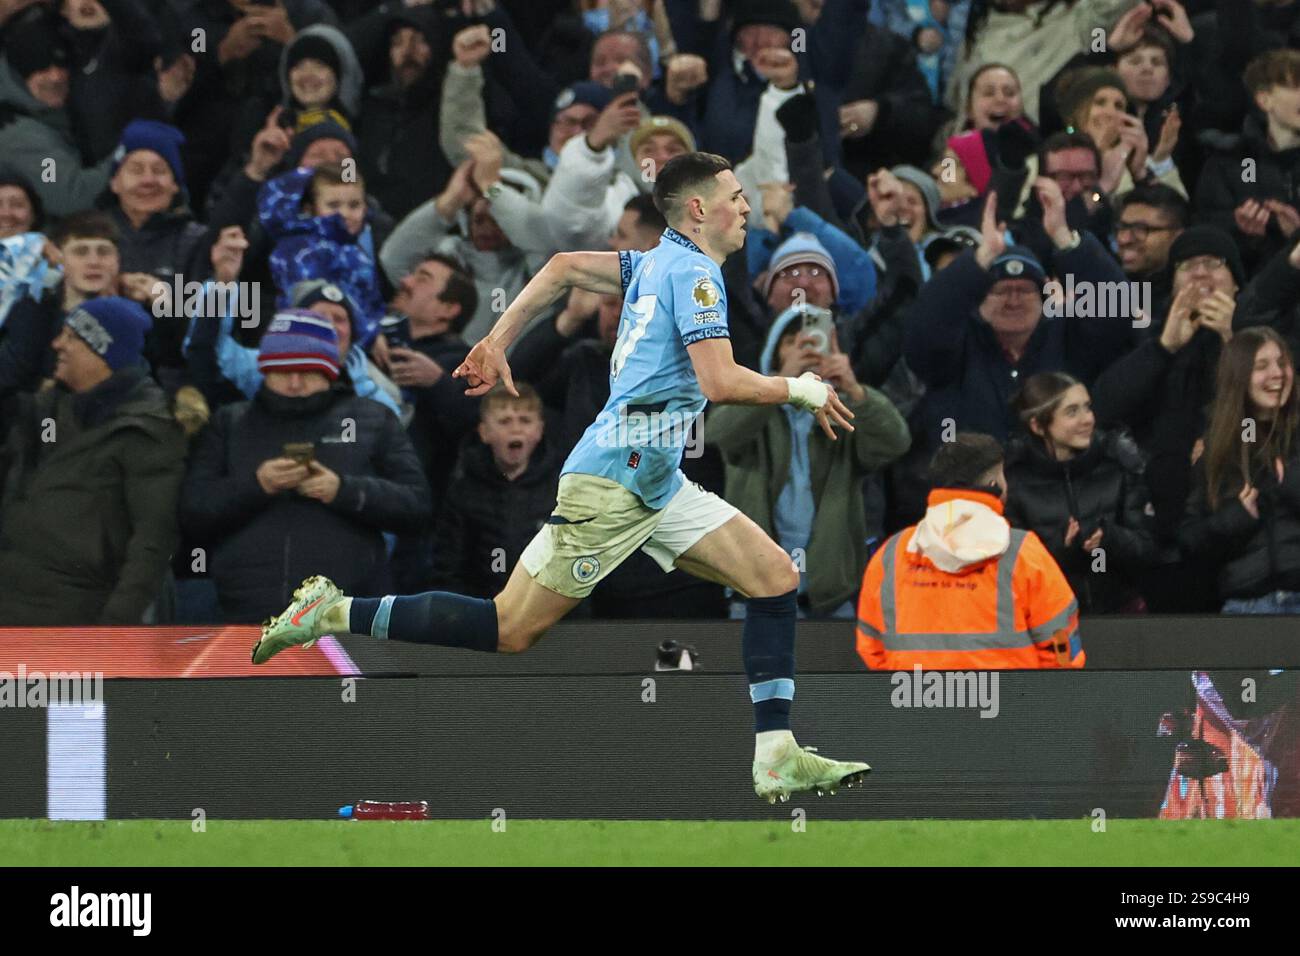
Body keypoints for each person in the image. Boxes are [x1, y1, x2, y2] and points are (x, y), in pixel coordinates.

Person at [252, 152, 870, 803]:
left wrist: (498, 339)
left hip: (656, 482)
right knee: (509, 628)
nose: (745, 207)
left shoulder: (655, 262)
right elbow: (719, 381)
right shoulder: (695, 276)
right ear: (698, 208)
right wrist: (797, 388)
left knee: (774, 577)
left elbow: (562, 267)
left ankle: (777, 755)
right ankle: (333, 611)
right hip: (616, 482)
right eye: (736, 195)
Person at [180, 310, 429, 623]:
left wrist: (343, 490)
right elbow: (194, 513)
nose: (295, 383)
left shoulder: (373, 419)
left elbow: (417, 506)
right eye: (283, 371)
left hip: (346, 615)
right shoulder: (229, 423)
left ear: (330, 372)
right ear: (265, 370)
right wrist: (257, 486)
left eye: (308, 372)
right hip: (242, 613)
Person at [0, 297, 186, 624]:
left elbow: (153, 541)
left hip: (75, 615)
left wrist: (114, 628)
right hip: (11, 605)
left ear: (101, 351)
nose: (57, 344)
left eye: (71, 337)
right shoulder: (43, 413)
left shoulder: (146, 428)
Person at [856, 432, 1084, 670]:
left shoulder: (891, 554)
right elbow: (1061, 648)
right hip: (1007, 694)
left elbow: (871, 647)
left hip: (914, 693)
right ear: (994, 485)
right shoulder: (1024, 553)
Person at [1005, 372, 1156, 614]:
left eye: (1087, 407)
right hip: (1049, 618)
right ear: (1038, 426)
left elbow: (1148, 550)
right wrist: (1064, 548)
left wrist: (1109, 538)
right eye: (1072, 412)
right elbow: (1013, 570)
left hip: (1120, 614)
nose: (1087, 419)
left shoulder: (1118, 464)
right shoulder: (1015, 481)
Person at [1180, 327, 1300, 614]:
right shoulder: (1217, 450)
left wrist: (1292, 485)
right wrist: (1235, 519)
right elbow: (1189, 541)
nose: (1277, 373)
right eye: (1261, 366)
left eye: (1282, 363)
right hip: (1247, 607)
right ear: (1240, 377)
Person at [429, 384, 561, 598]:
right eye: (504, 421)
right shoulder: (464, 488)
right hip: (482, 607)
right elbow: (448, 565)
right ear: (484, 432)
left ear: (539, 430)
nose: (516, 429)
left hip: (546, 604)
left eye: (525, 420)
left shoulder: (561, 487)